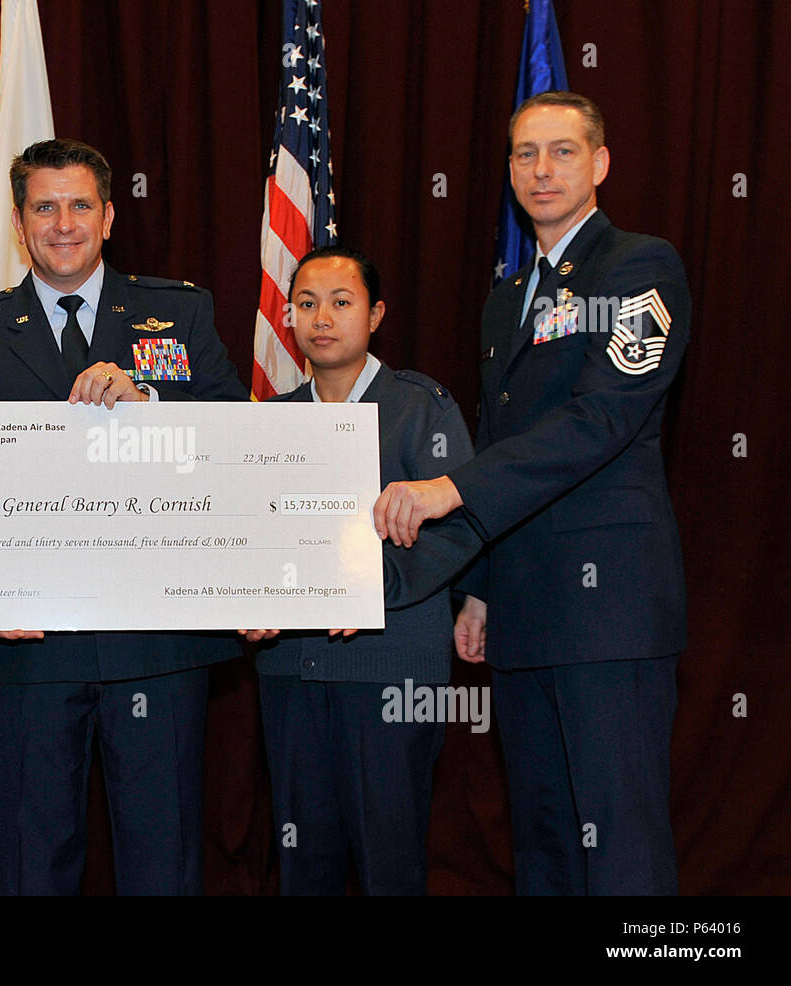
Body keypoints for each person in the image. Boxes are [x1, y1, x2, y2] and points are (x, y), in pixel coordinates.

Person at [372, 91, 690, 894]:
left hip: (607, 607)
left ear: (600, 163)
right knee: (543, 837)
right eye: (524, 153)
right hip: (523, 602)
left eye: (562, 151)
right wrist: (479, 589)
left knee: (619, 841)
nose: (541, 169)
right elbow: (504, 439)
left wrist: (451, 487)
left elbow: (600, 420)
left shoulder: (641, 266)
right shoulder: (506, 298)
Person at [0, 138, 247, 895]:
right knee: (35, 861)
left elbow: (238, 443)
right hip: (31, 639)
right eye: (44, 206)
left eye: (79, 205)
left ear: (108, 216)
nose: (63, 223)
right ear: (18, 223)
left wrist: (151, 404)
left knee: (162, 860)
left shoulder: (178, 310)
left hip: (160, 636)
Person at [245, 246, 473, 894]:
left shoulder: (423, 407)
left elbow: (462, 529)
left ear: (374, 314)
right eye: (307, 303)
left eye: (342, 302)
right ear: (288, 316)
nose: (323, 318)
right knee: (304, 861)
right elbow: (252, 537)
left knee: (388, 861)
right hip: (291, 669)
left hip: (389, 668)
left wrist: (367, 584)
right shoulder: (271, 423)